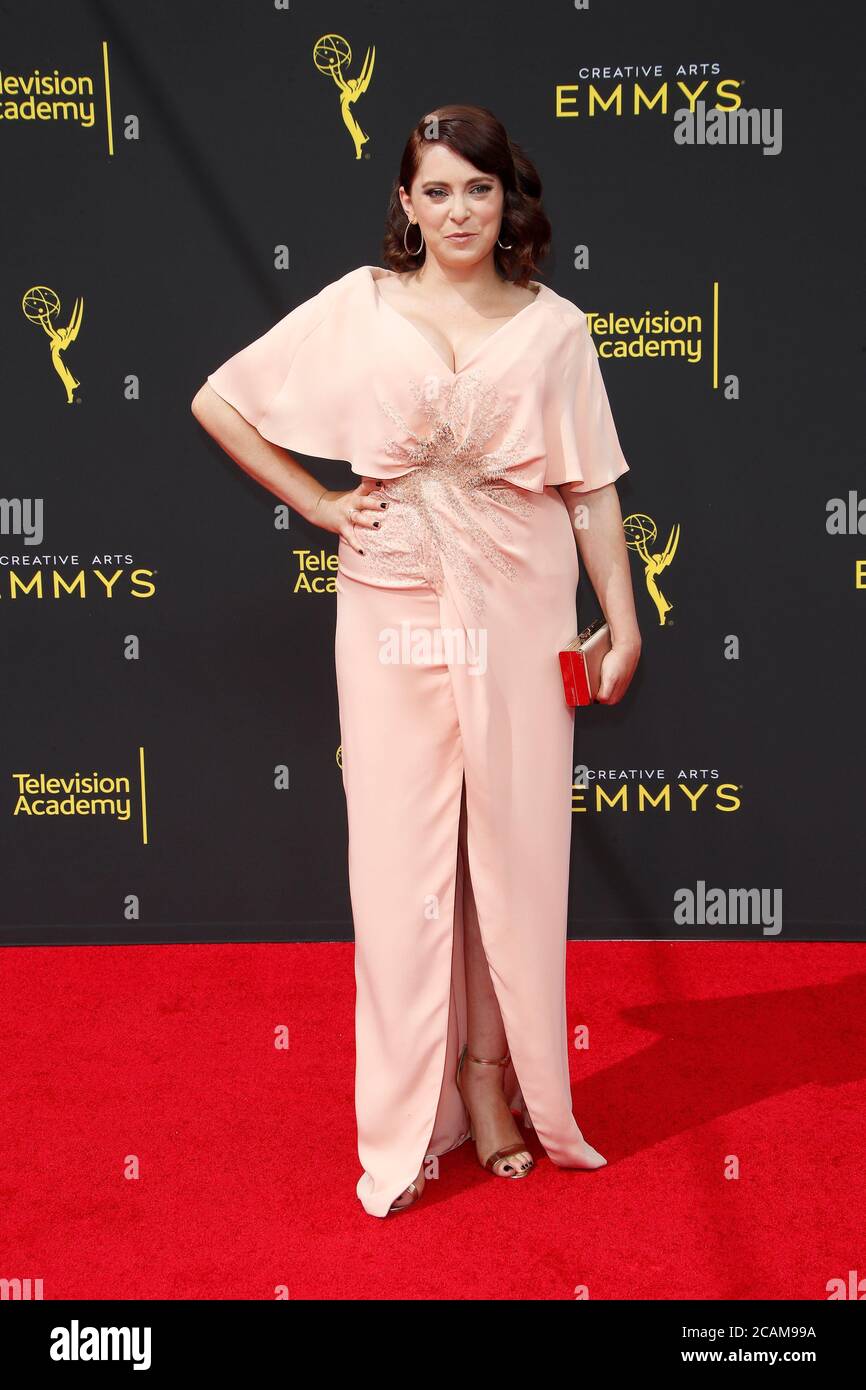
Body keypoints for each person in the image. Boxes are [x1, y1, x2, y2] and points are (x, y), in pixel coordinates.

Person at [192, 103, 642, 1219]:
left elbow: (589, 487)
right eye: (434, 190)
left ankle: (495, 1083)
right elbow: (220, 400)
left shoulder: (556, 328)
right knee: (399, 866)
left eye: (476, 190)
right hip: (390, 604)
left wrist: (621, 619)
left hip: (522, 609)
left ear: (509, 201)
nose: (456, 211)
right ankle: (407, 1119)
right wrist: (322, 505)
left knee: (515, 856)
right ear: (404, 201)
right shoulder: (362, 305)